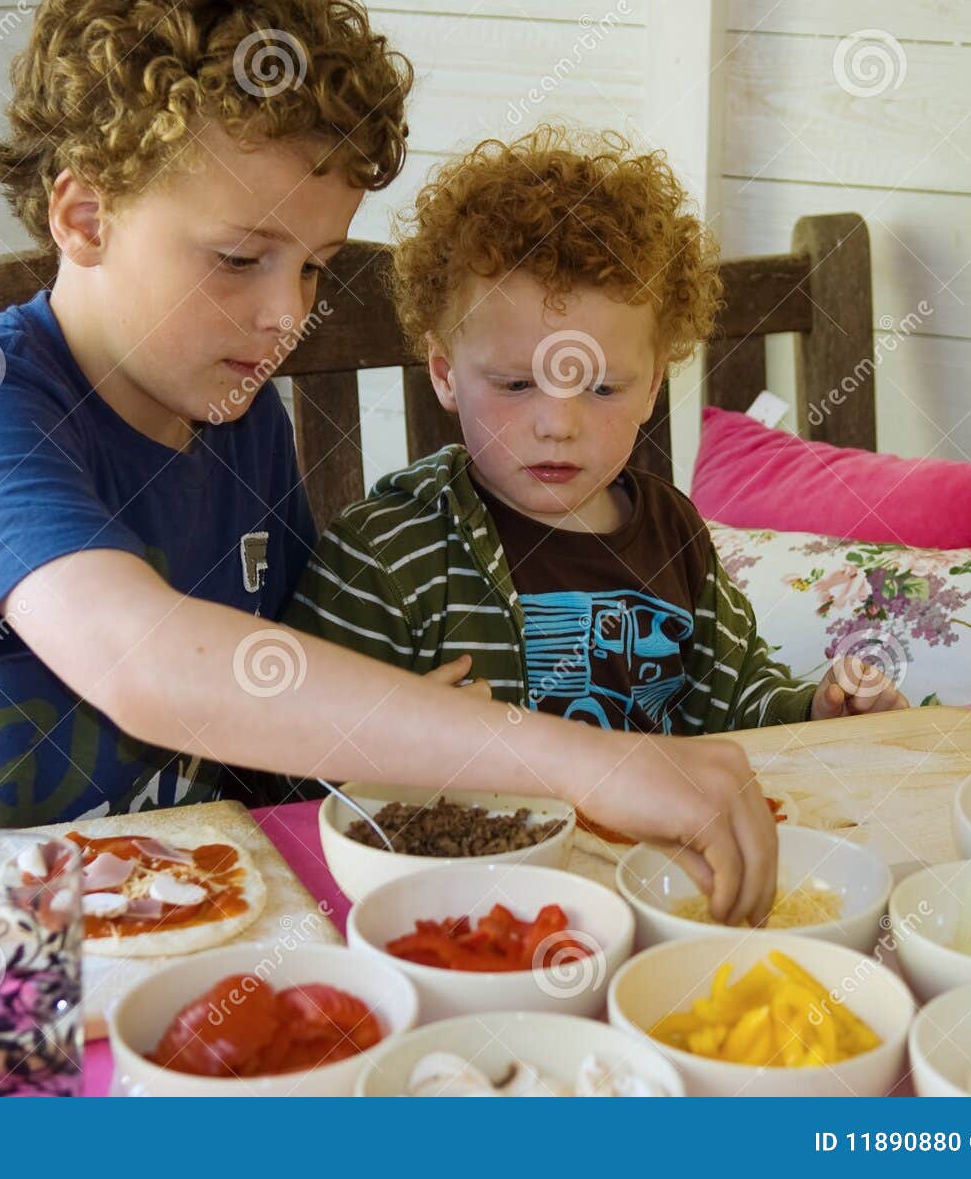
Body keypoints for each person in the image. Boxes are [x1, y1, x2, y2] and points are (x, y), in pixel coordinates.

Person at [0, 0, 777, 926]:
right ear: (84, 217)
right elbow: (149, 663)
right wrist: (583, 759)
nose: (284, 315)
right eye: (240, 259)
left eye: (314, 267)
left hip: (120, 928)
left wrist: (404, 713)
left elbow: (278, 672)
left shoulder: (238, 419)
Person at [286, 126, 908, 744]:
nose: (559, 425)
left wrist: (817, 713)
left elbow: (735, 702)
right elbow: (288, 755)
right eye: (515, 384)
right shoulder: (386, 557)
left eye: (603, 388)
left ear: (652, 385)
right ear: (445, 375)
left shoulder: (672, 534)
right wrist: (391, 741)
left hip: (652, 814)